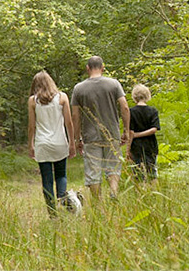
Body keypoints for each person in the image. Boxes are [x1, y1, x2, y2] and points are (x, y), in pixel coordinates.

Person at [71, 55, 130, 199]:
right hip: (112, 134)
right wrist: (126, 131)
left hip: (90, 136)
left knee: (93, 171)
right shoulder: (114, 84)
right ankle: (114, 192)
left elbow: (75, 116)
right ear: (103, 68)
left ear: (87, 68)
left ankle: (98, 204)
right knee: (113, 166)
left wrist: (77, 138)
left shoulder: (79, 88)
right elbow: (125, 107)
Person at [27, 71, 76, 216]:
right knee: (61, 175)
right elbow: (69, 123)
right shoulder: (62, 97)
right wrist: (72, 143)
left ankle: (52, 213)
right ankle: (64, 201)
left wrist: (30, 145)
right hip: (60, 142)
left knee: (46, 179)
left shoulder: (32, 101)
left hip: (42, 144)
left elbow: (31, 126)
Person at [128, 84, 160, 183]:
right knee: (152, 171)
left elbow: (131, 132)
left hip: (136, 146)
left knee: (137, 172)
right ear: (147, 95)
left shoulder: (131, 112)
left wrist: (128, 149)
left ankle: (141, 190)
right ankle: (154, 190)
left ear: (134, 96)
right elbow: (154, 129)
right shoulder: (153, 111)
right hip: (151, 145)